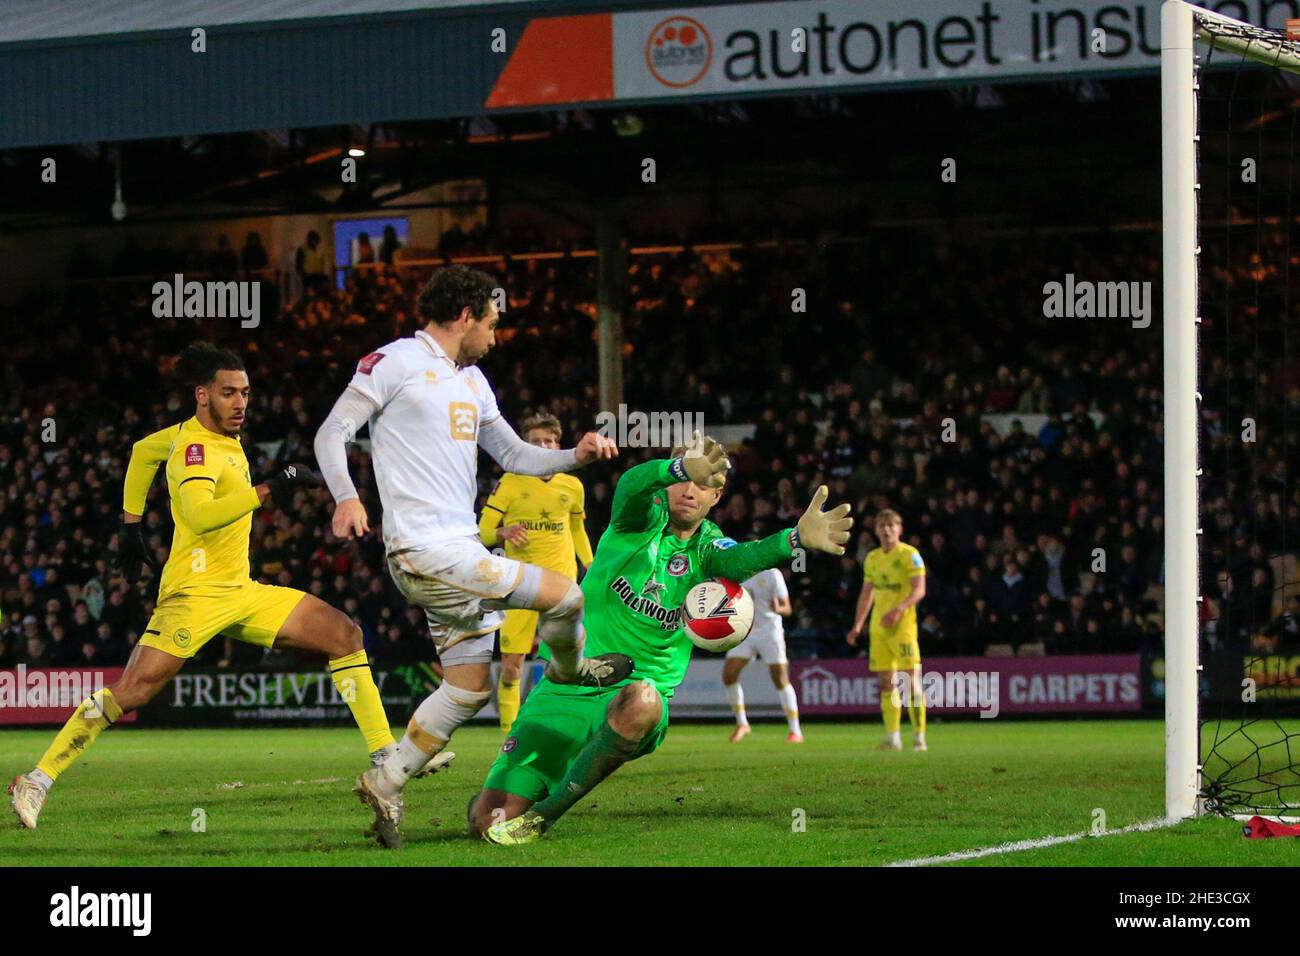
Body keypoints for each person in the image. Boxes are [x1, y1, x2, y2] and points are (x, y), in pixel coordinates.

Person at [8, 342, 400, 831]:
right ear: (201, 396)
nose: (241, 403)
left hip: (240, 589)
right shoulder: (194, 449)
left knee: (344, 635)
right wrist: (270, 487)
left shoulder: (188, 439)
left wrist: (131, 526)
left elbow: (139, 452)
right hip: (194, 595)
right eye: (229, 393)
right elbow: (197, 513)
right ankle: (37, 780)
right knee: (131, 692)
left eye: (246, 393)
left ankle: (388, 757)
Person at [313, 264, 626, 848]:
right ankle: (569, 671)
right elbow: (332, 432)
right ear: (465, 317)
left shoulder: (474, 382)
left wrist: (575, 456)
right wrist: (347, 498)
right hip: (424, 548)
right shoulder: (397, 362)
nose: (495, 334)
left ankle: (387, 778)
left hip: (455, 552)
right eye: (492, 321)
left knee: (469, 685)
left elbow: (512, 454)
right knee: (569, 595)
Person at [469, 437, 852, 845]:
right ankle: (549, 774)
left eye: (704, 484)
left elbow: (741, 558)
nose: (690, 490)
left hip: (633, 696)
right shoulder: (635, 520)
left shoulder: (709, 550)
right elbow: (632, 484)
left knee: (645, 699)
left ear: (716, 496)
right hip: (567, 686)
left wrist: (790, 541)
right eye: (684, 476)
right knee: (486, 822)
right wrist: (676, 468)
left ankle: (544, 816)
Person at [478, 411, 593, 734]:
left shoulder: (572, 484)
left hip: (562, 585)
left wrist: (591, 565)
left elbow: (577, 530)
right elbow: (483, 531)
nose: (543, 446)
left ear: (557, 444)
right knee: (512, 668)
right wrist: (502, 533)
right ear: (525, 446)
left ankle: (566, 727)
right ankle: (509, 739)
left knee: (568, 664)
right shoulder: (512, 481)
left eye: (548, 441)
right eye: (535, 442)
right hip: (521, 585)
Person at [847, 510, 928, 752]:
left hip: (903, 627)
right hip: (878, 628)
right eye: (882, 525)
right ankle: (893, 737)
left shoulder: (910, 555)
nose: (886, 529)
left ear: (899, 529)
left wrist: (898, 609)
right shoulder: (872, 558)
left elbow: (919, 590)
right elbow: (867, 593)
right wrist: (858, 625)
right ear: (876, 529)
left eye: (891, 525)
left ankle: (919, 737)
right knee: (886, 683)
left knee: (910, 681)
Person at [721, 565, 802, 743]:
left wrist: (778, 609)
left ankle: (795, 730)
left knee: (780, 678)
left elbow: (787, 608)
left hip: (769, 631)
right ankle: (742, 723)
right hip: (745, 631)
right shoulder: (737, 573)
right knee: (729, 674)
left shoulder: (773, 574)